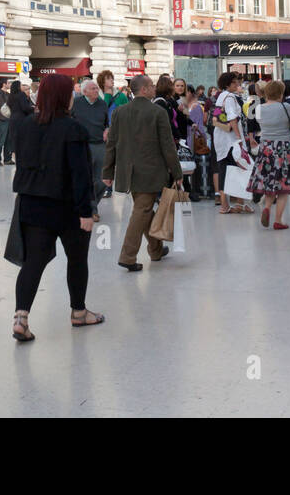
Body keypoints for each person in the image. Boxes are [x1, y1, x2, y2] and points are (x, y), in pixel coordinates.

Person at [10, 74, 102, 341]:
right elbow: (80, 174)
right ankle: (78, 312)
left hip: (32, 203)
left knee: (32, 263)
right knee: (76, 260)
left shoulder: (24, 125)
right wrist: (86, 211)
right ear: (65, 97)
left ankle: (21, 317)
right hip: (68, 207)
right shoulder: (73, 129)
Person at [102, 74, 183, 271]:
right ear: (145, 89)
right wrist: (177, 172)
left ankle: (155, 249)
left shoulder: (119, 112)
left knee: (144, 208)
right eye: (152, 86)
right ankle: (127, 256)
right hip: (151, 171)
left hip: (127, 171)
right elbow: (167, 146)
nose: (154, 88)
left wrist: (107, 172)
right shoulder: (157, 112)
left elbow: (111, 144)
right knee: (141, 211)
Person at [247, 80, 290, 229]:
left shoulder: (259, 108)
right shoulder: (285, 107)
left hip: (266, 148)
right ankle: (278, 220)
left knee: (270, 182)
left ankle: (267, 207)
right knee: (284, 186)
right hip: (284, 148)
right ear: (281, 93)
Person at [212, 71, 253, 214]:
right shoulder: (230, 98)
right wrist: (239, 139)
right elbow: (232, 119)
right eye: (235, 82)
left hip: (221, 139)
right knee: (240, 169)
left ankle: (226, 204)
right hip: (231, 141)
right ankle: (239, 204)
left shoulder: (221, 96)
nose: (238, 84)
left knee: (224, 169)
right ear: (228, 84)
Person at [70, 79, 109, 219]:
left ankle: (92, 205)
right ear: (84, 91)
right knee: (85, 179)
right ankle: (92, 210)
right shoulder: (76, 103)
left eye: (97, 88)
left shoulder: (102, 104)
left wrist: (107, 130)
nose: (96, 90)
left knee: (103, 180)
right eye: (93, 88)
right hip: (82, 145)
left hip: (100, 145)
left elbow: (107, 123)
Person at [0, 78, 12, 165]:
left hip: (9, 119)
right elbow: (0, 105)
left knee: (8, 140)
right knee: (1, 140)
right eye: (8, 83)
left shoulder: (8, 94)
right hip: (2, 119)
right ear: (4, 84)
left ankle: (7, 159)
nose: (10, 84)